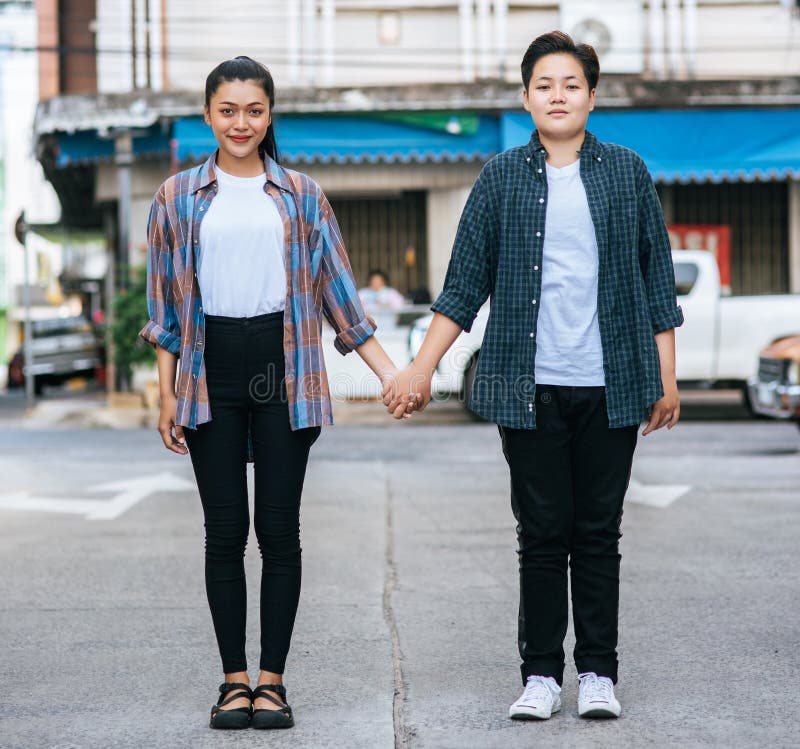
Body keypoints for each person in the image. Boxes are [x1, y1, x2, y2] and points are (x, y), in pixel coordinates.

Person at [385, 31, 683, 721]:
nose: (558, 95)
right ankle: (542, 674)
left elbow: (655, 280)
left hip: (612, 382)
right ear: (525, 98)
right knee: (542, 531)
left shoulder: (628, 173)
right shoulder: (500, 178)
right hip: (530, 384)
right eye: (545, 85)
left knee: (598, 531)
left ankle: (599, 672)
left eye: (571, 84)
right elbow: (464, 285)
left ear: (591, 95)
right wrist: (421, 368)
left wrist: (666, 375)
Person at [139, 56, 403, 731]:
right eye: (227, 110)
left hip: (284, 370)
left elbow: (341, 297)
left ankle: (273, 681)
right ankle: (233, 680)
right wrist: (167, 394)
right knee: (224, 532)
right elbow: (167, 310)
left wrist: (392, 373)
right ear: (208, 114)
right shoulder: (175, 197)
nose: (241, 122)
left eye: (253, 110)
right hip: (209, 371)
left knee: (278, 531)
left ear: (270, 115)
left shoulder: (302, 195)